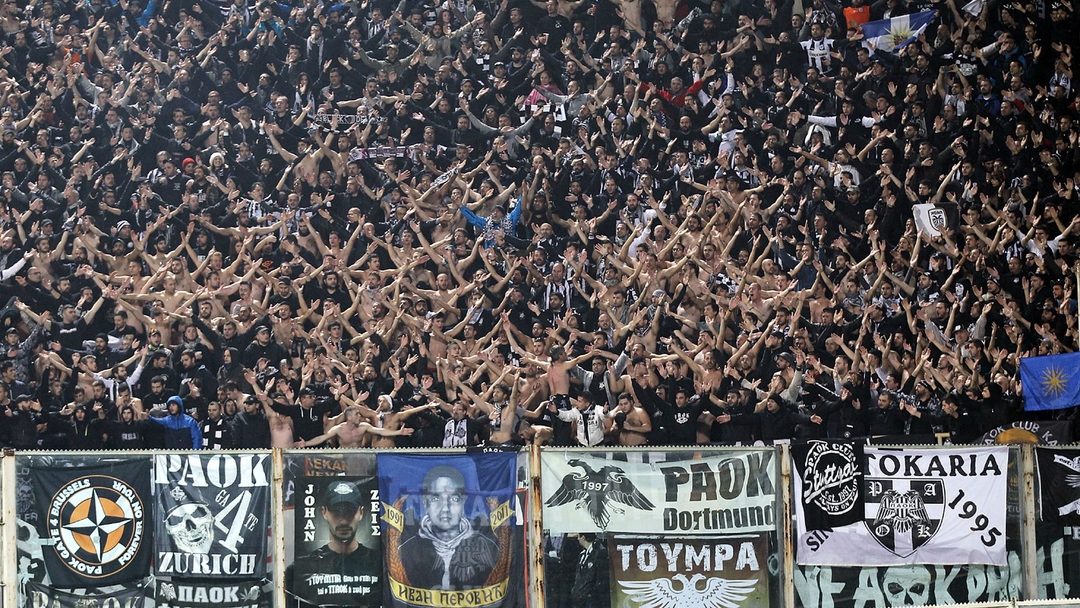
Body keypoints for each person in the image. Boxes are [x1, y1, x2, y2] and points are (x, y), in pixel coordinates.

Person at [397, 466, 500, 591]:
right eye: (436, 498)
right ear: (425, 503)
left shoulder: (486, 545)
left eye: (454, 498)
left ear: (463, 503)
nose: (445, 508)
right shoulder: (407, 548)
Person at [286, 481, 382, 608]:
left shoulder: (379, 565)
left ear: (361, 513)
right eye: (337, 512)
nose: (343, 521)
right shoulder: (301, 569)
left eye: (350, 512)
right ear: (324, 512)